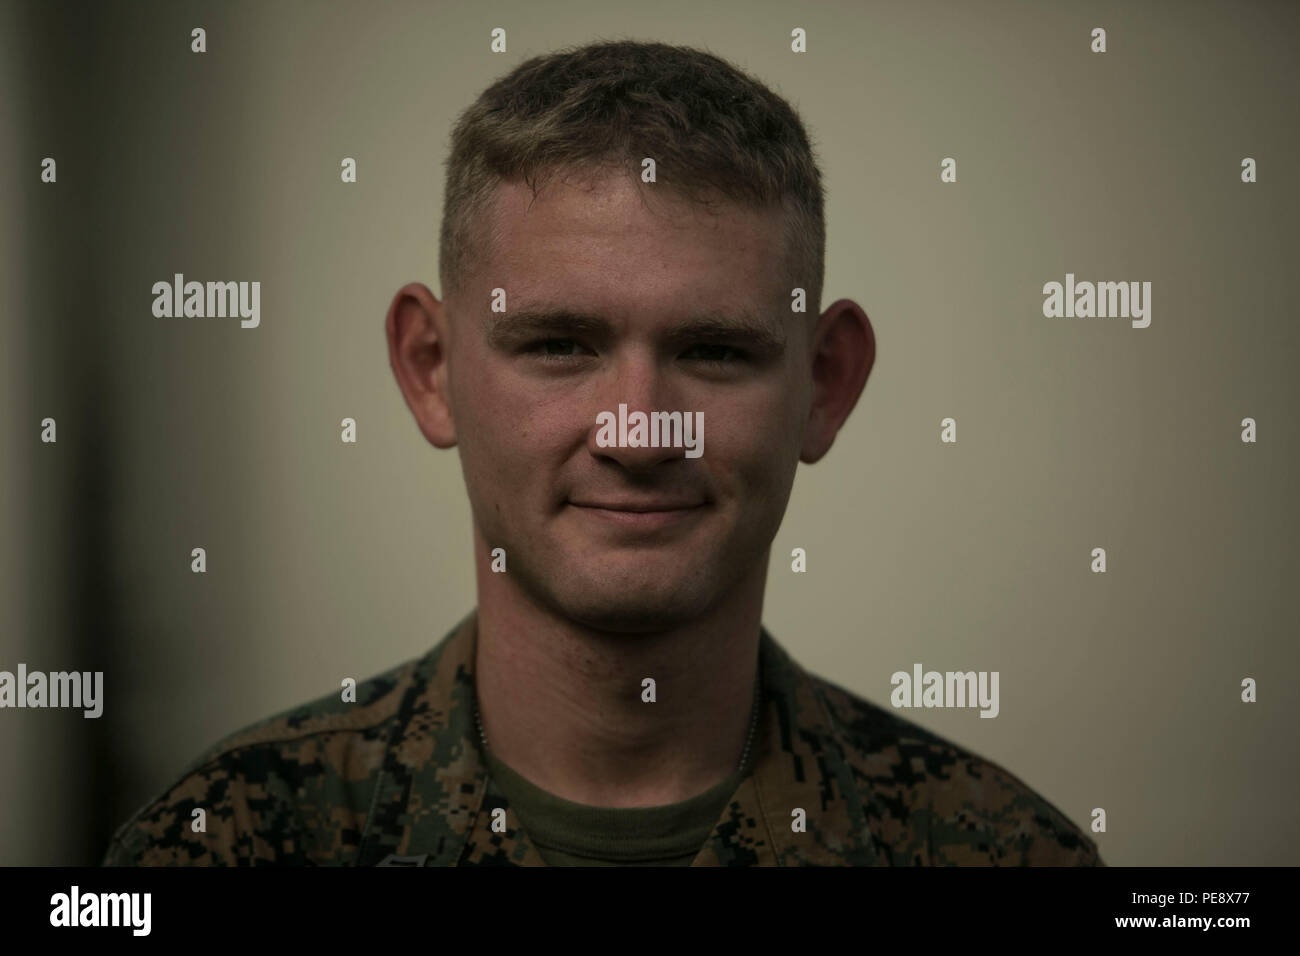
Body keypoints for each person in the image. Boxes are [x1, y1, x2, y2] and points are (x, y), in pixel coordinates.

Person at [103, 39, 1100, 867]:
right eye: (558, 346)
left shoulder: (1001, 852)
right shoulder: (224, 843)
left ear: (825, 383)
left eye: (715, 352)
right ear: (432, 367)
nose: (638, 432)